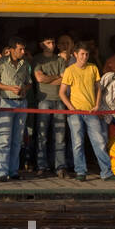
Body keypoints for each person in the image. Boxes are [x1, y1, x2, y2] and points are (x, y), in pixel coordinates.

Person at [60, 42, 113, 182]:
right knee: (77, 143)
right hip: (75, 112)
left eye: (87, 54)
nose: (84, 57)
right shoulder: (69, 70)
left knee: (100, 141)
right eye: (82, 54)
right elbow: (62, 92)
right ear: (75, 54)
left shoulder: (93, 68)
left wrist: (97, 105)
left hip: (91, 111)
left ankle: (106, 172)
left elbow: (99, 88)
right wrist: (71, 108)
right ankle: (80, 171)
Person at [0, 37, 32, 182]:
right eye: (20, 49)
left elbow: (29, 83)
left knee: (17, 139)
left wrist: (23, 89)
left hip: (21, 102)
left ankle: (13, 170)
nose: (23, 52)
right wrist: (10, 88)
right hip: (6, 101)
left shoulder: (25, 63)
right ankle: (1, 171)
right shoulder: (1, 62)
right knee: (5, 138)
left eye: (23, 49)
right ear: (12, 49)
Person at [31, 35, 70, 178]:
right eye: (48, 42)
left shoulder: (60, 59)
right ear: (42, 44)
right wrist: (56, 76)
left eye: (53, 42)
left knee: (60, 135)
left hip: (59, 99)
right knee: (42, 135)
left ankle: (60, 166)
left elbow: (64, 80)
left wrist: (49, 78)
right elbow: (40, 78)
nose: (52, 45)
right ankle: (42, 165)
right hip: (43, 100)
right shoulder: (37, 59)